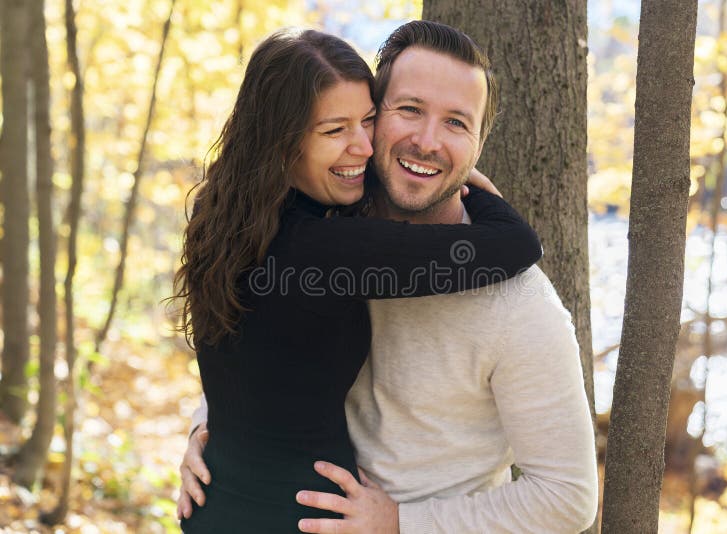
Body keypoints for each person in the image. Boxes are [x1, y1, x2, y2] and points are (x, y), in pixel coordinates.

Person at [173, 26, 543, 533]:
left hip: (215, 505)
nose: (364, 147)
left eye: (368, 121)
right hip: (304, 520)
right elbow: (516, 245)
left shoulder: (221, 215)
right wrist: (470, 183)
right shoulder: (323, 252)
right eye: (334, 131)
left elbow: (250, 367)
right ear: (282, 143)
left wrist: (203, 428)